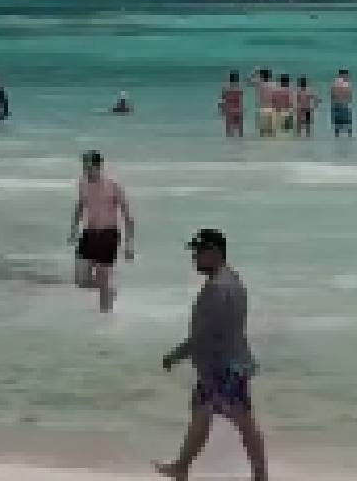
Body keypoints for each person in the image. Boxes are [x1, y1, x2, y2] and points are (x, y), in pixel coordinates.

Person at [156, 229, 266, 481]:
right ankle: (181, 466)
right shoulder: (232, 279)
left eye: (198, 253)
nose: (194, 259)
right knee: (202, 415)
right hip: (227, 363)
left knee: (242, 420)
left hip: (223, 368)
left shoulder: (218, 289)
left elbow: (205, 335)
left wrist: (176, 354)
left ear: (214, 253)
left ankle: (260, 475)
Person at [68, 151, 136, 314]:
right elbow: (79, 207)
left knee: (103, 276)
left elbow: (127, 216)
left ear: (99, 166)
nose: (86, 170)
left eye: (89, 166)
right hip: (89, 234)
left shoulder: (113, 185)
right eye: (84, 166)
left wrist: (129, 243)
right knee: (81, 279)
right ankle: (109, 290)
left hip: (108, 235)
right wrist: (73, 229)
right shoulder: (82, 184)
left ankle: (105, 319)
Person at [218, 71, 245, 138]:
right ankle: (240, 144)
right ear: (237, 80)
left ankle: (229, 145)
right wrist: (242, 111)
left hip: (229, 112)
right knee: (240, 132)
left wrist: (221, 110)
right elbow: (241, 102)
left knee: (229, 132)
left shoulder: (226, 89)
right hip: (237, 111)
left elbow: (222, 101)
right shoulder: (239, 90)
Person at [330, 69, 355, 137]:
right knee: (347, 119)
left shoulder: (335, 82)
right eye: (346, 75)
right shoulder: (346, 83)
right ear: (344, 75)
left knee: (337, 119)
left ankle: (337, 135)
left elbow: (332, 93)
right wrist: (349, 100)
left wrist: (333, 100)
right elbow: (349, 94)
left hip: (336, 102)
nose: (347, 76)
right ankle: (349, 134)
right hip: (343, 102)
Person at [253, 68, 276, 137]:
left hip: (263, 106)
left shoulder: (260, 84)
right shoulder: (272, 84)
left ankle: (264, 137)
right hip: (271, 106)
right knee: (269, 124)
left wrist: (256, 73)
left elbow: (250, 81)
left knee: (264, 125)